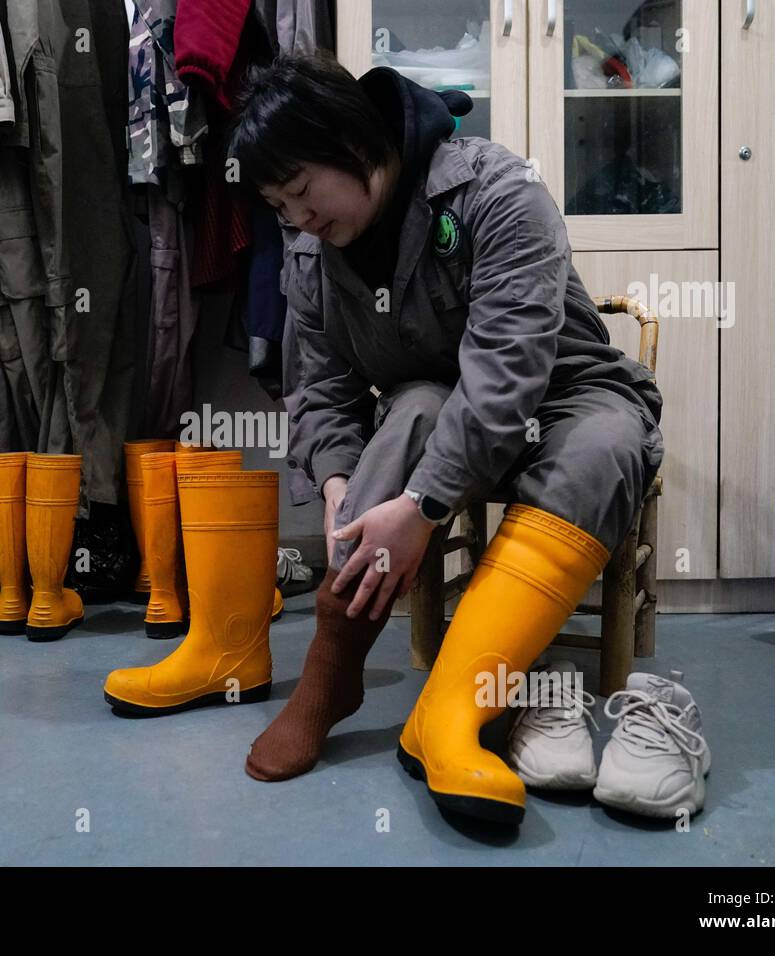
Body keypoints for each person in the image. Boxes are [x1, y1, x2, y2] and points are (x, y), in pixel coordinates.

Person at [226, 53, 664, 825]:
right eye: (278, 207)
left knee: (604, 443)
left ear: (354, 146)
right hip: (438, 413)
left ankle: (450, 710)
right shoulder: (310, 250)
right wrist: (336, 488)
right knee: (417, 406)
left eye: (301, 194)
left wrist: (422, 507)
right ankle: (333, 671)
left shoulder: (498, 190)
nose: (298, 221)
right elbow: (322, 388)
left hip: (562, 396)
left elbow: (505, 372)